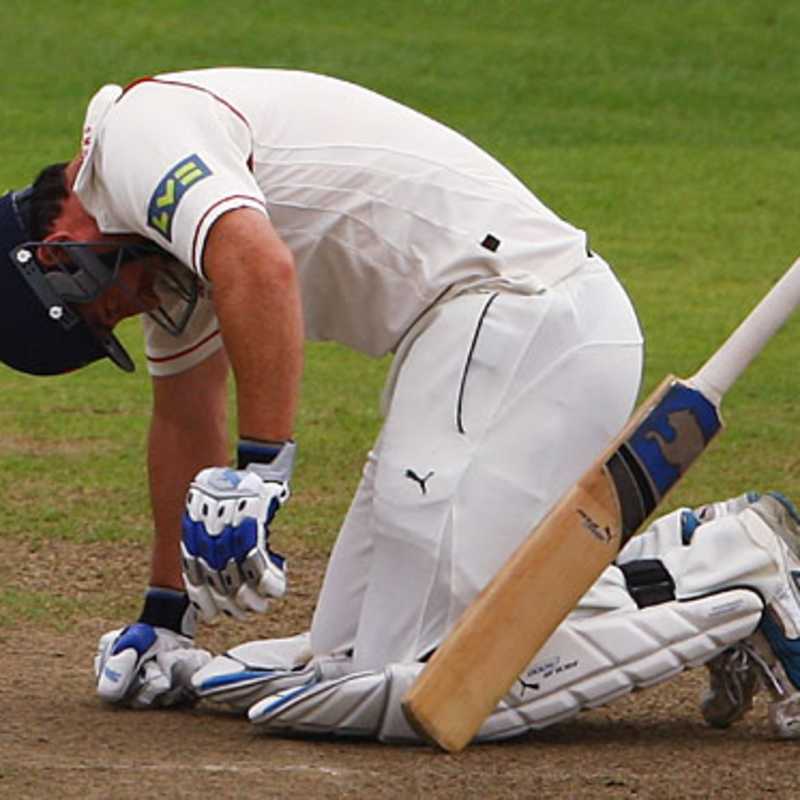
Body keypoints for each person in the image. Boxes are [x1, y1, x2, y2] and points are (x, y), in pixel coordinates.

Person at [0, 69, 797, 743]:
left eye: (102, 303)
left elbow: (260, 264)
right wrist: (167, 613)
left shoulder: (137, 139)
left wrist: (262, 469)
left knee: (418, 678)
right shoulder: (164, 253)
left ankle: (741, 573)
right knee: (344, 660)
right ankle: (685, 558)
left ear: (55, 251)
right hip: (469, 342)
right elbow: (184, 413)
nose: (132, 306)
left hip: (526, 311)